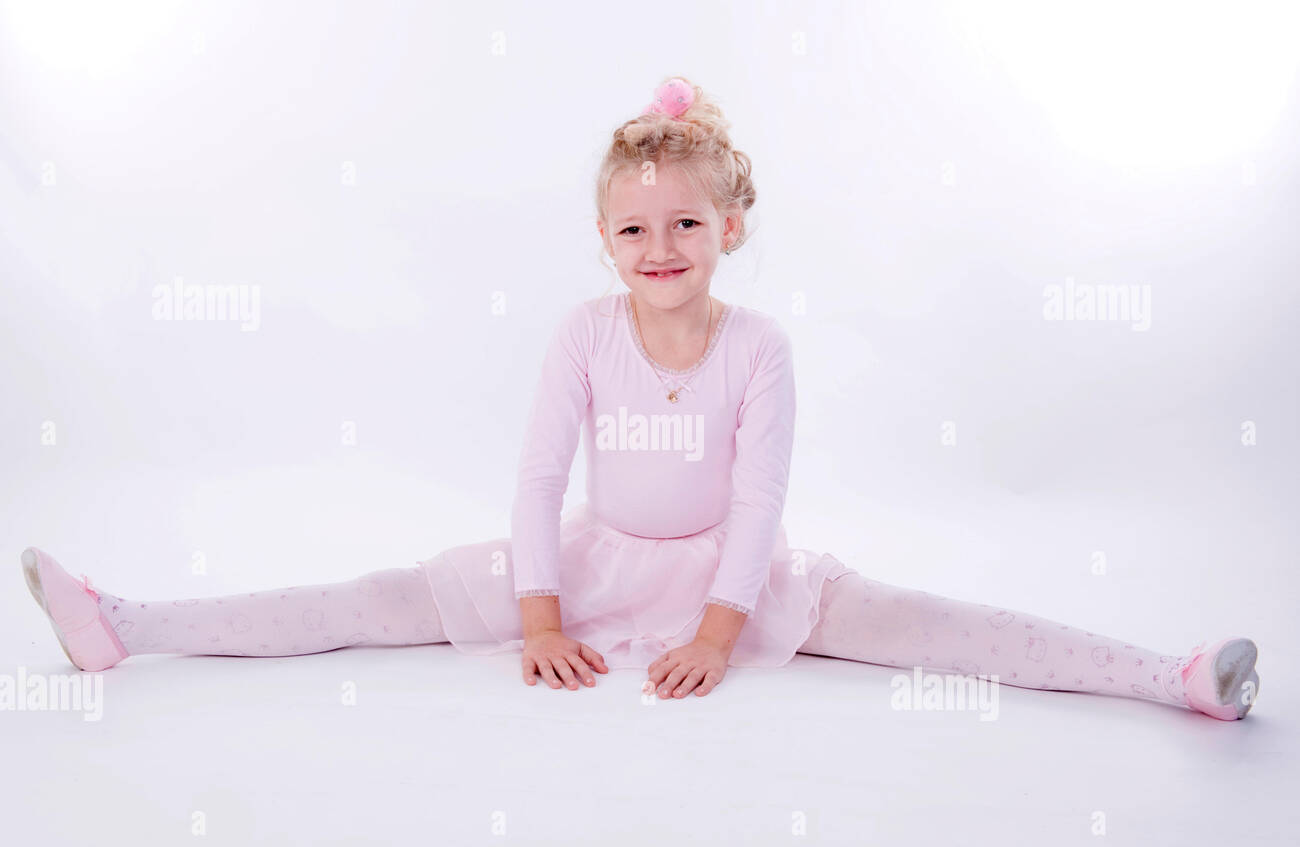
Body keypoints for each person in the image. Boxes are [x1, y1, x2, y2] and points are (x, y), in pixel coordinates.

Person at [20, 77, 1259, 721]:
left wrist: (722, 634)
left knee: (934, 629)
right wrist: (542, 615)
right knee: (375, 601)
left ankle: (1175, 676)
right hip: (588, 564)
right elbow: (536, 482)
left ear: (729, 223)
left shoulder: (757, 346)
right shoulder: (582, 333)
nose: (657, 245)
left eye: (683, 222)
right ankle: (129, 621)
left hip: (736, 570)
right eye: (631, 226)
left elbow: (761, 499)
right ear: (602, 238)